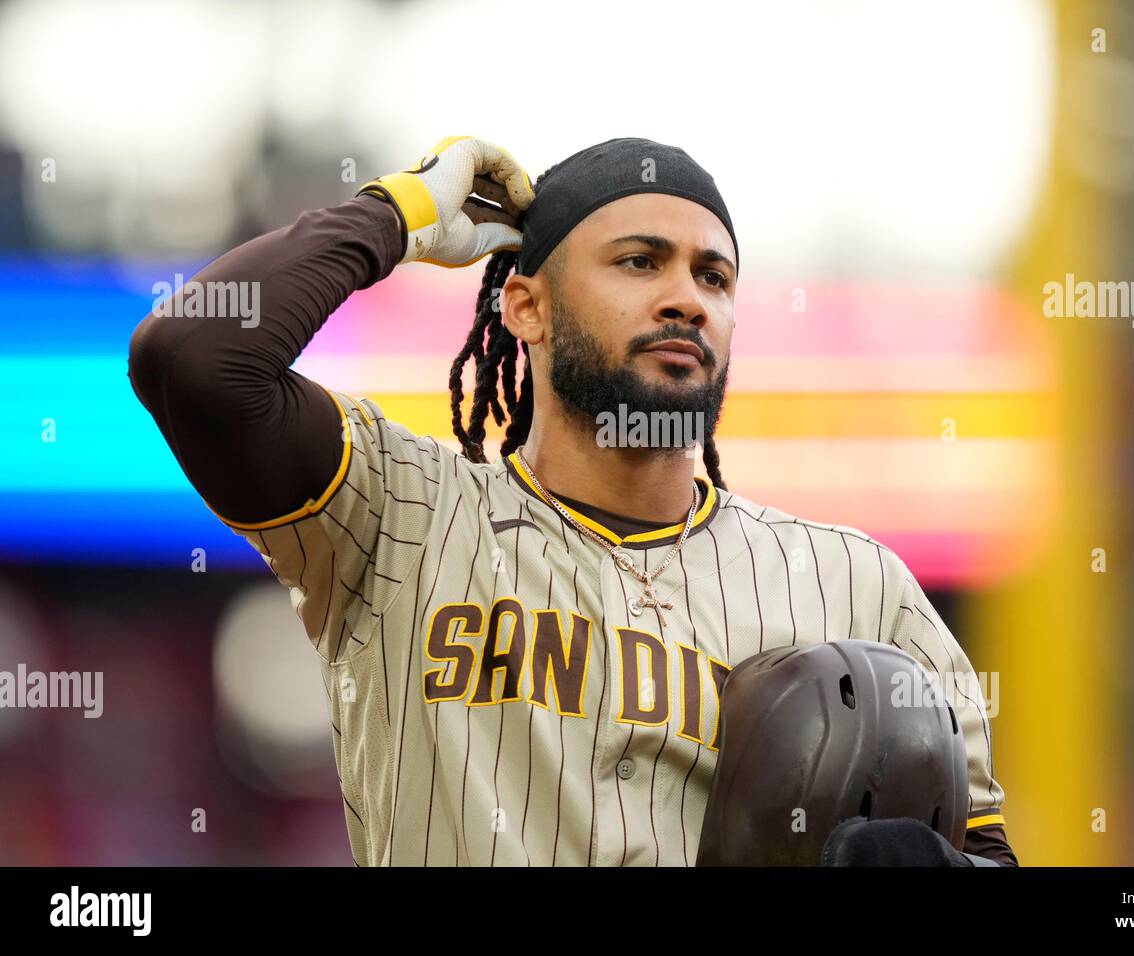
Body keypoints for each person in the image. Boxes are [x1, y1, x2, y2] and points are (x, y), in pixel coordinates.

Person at [127, 135, 1016, 867]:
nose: (686, 299)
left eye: (714, 278)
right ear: (525, 307)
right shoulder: (400, 514)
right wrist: (397, 213)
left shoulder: (857, 584)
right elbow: (194, 359)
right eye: (640, 262)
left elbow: (989, 851)